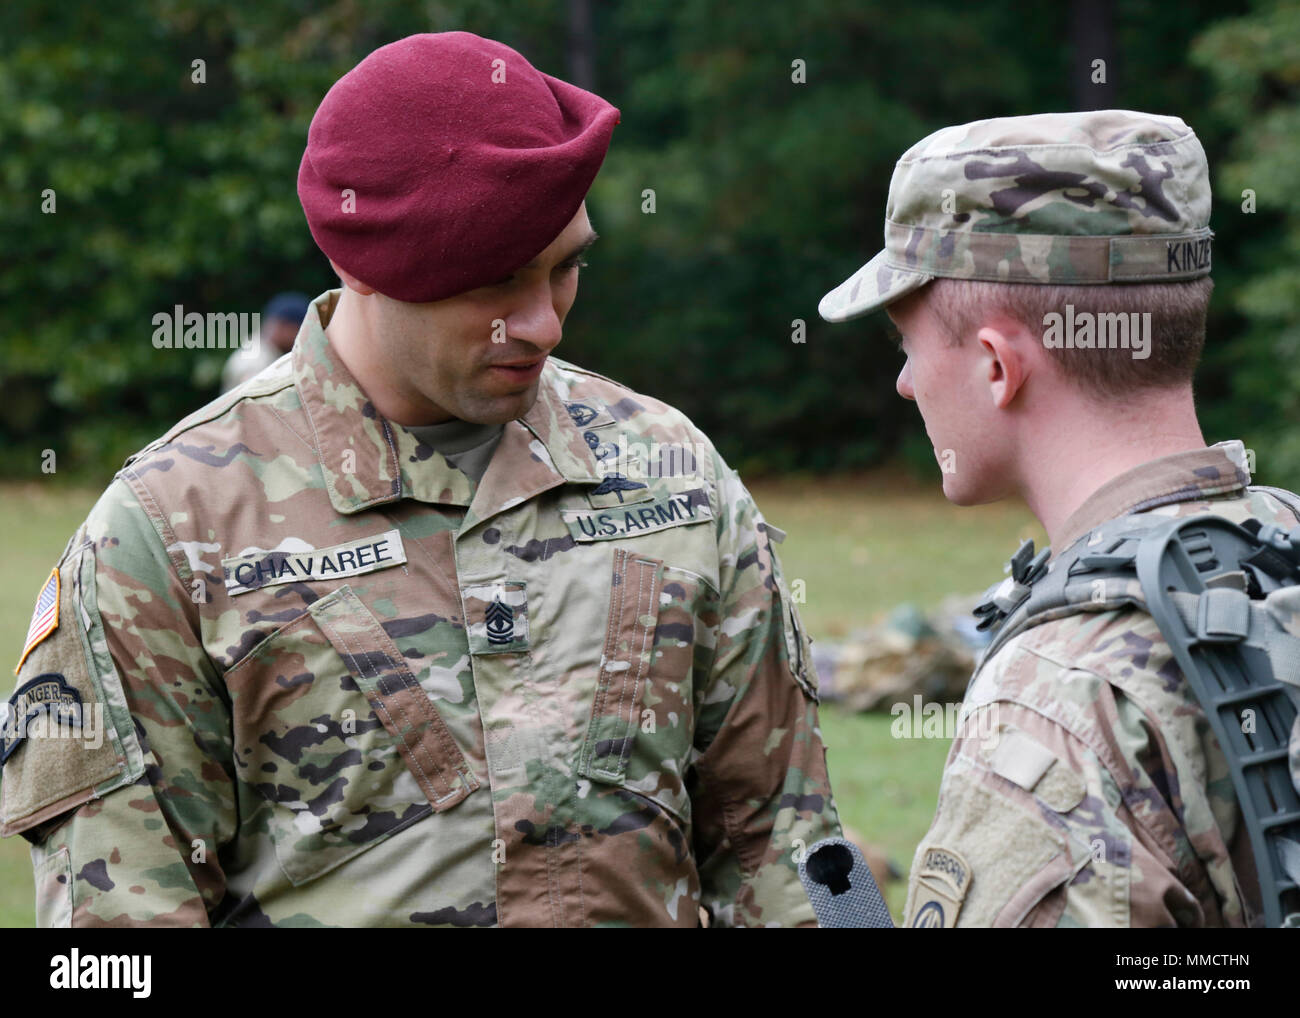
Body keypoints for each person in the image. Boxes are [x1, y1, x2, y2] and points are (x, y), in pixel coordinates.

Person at [4, 31, 840, 928]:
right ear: (359, 263)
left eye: (567, 270)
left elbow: (790, 848)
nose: (543, 324)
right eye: (493, 283)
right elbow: (113, 932)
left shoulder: (673, 474)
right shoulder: (172, 528)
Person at [818, 109, 1294, 927]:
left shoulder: (1057, 700)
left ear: (998, 367)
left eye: (907, 348)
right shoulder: (1279, 548)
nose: (905, 385)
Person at [219, 292, 310, 392]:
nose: (303, 336)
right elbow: (253, 402)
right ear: (284, 326)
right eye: (299, 329)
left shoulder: (258, 352)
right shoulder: (256, 362)